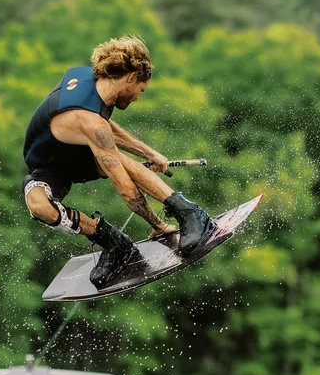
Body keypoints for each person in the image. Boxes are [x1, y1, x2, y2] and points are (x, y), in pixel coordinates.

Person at [22, 35, 216, 288]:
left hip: (79, 154)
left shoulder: (90, 81)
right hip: (48, 168)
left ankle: (191, 214)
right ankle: (115, 243)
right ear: (131, 78)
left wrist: (149, 153)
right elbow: (125, 188)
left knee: (117, 160)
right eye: (140, 91)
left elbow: (105, 128)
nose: (137, 97)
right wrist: (157, 225)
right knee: (39, 206)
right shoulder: (90, 123)